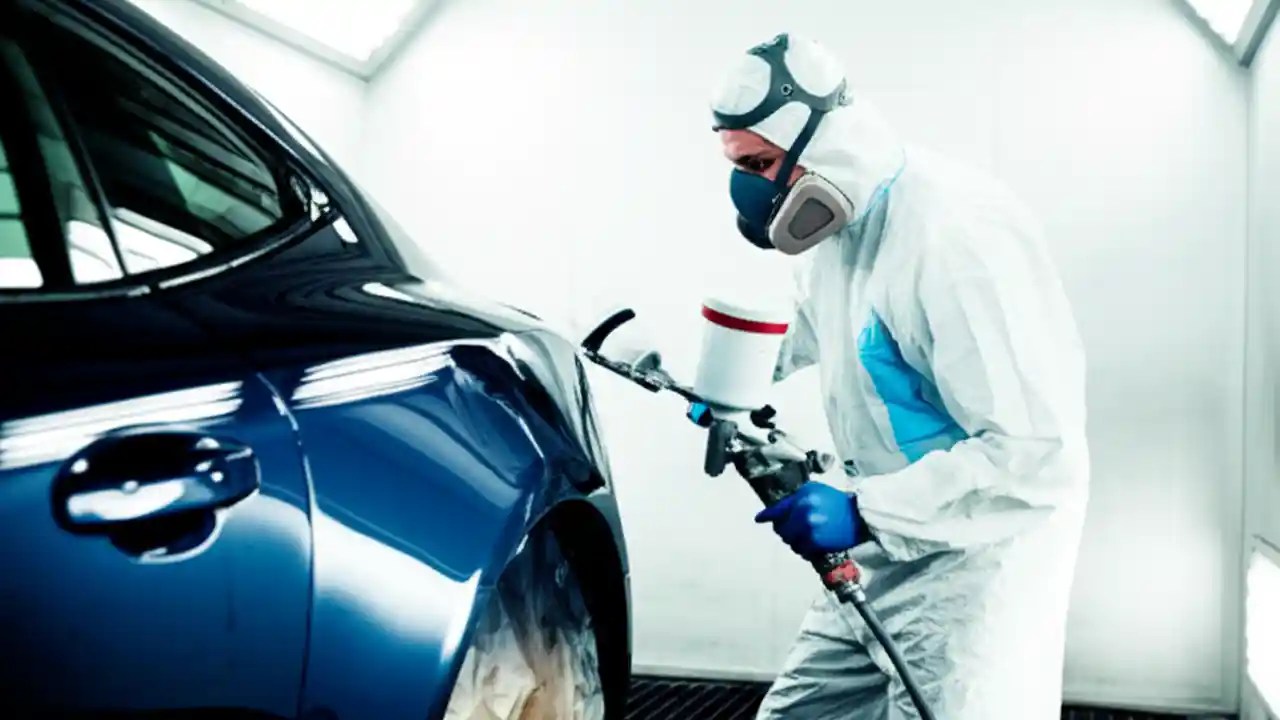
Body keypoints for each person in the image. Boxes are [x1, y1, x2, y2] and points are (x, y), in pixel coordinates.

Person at [709, 33, 1091, 719]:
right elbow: (814, 328)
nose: (750, 189)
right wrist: (720, 379)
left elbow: (1034, 457)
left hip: (974, 566)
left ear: (820, 143)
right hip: (886, 543)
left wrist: (861, 510)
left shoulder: (958, 239)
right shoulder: (843, 228)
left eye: (761, 164)